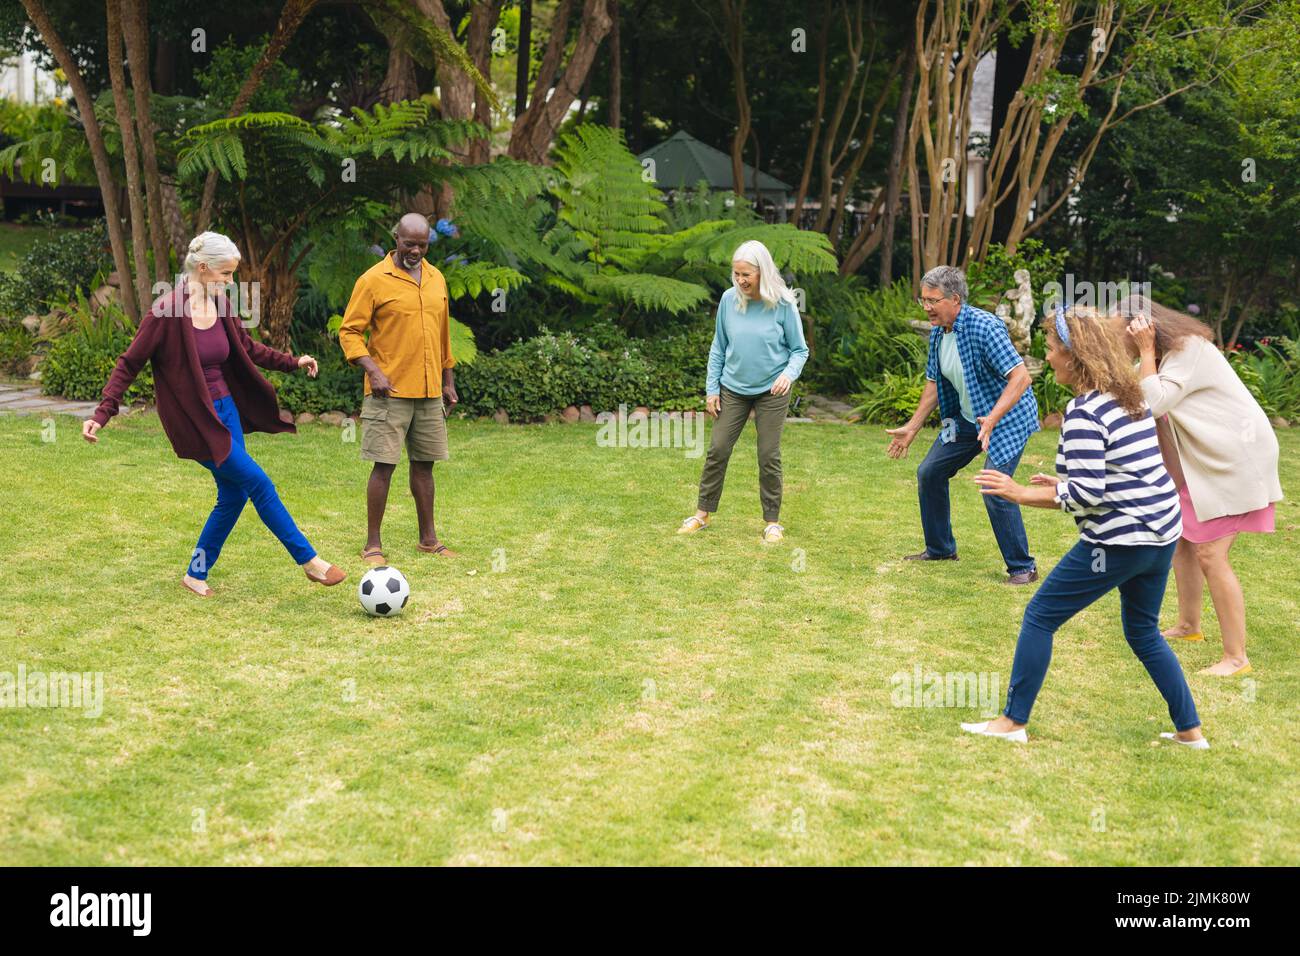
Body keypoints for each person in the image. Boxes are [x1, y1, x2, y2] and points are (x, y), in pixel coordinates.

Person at [966, 306, 1206, 749]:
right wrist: (1064, 483)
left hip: (1122, 541)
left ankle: (1012, 722)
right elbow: (1120, 471)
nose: (1048, 357)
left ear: (1076, 356)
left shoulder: (1083, 412)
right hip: (1162, 535)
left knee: (1039, 616)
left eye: (1054, 348)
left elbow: (1088, 495)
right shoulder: (1128, 397)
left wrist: (1019, 493)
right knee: (1143, 631)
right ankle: (1190, 730)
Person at [81, 231, 345, 595]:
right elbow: (130, 363)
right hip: (197, 420)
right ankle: (310, 561)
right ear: (203, 268)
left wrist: (292, 361)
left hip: (228, 412)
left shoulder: (222, 304)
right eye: (225, 274)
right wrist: (103, 412)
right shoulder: (166, 311)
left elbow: (246, 346)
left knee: (233, 495)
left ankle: (195, 574)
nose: (230, 281)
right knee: (258, 483)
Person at [1114, 295, 1282, 676]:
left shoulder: (1188, 348)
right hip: (1203, 461)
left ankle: (1236, 657)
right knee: (1183, 543)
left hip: (1235, 459)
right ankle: (1189, 626)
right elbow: (1143, 407)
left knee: (1210, 553)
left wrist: (1143, 351)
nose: (1115, 340)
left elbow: (1154, 403)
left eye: (1119, 332)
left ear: (1144, 329)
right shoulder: (1164, 358)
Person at [885, 265, 1040, 584]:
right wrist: (912, 427)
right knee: (930, 472)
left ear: (955, 299)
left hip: (1007, 419)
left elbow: (1020, 377)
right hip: (968, 420)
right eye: (923, 300)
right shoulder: (939, 332)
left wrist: (993, 419)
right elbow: (933, 383)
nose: (926, 307)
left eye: (933, 300)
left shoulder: (985, 327)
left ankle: (1023, 567)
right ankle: (940, 549)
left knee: (994, 487)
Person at [339, 212, 458, 565]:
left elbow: (442, 334)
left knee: (425, 465)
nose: (416, 251)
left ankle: (429, 540)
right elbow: (349, 331)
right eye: (410, 244)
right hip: (387, 390)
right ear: (396, 238)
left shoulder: (436, 278)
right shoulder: (373, 280)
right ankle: (372, 545)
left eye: (422, 245)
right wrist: (372, 371)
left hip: (428, 390)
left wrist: (448, 380)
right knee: (384, 466)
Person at [677, 240, 808, 543]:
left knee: (768, 455)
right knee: (718, 449)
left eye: (746, 274)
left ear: (762, 272)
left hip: (772, 391)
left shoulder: (784, 303)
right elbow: (718, 347)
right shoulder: (728, 300)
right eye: (736, 274)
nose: (740, 280)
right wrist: (712, 389)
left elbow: (799, 350)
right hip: (733, 388)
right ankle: (702, 514)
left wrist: (788, 375)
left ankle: (772, 522)